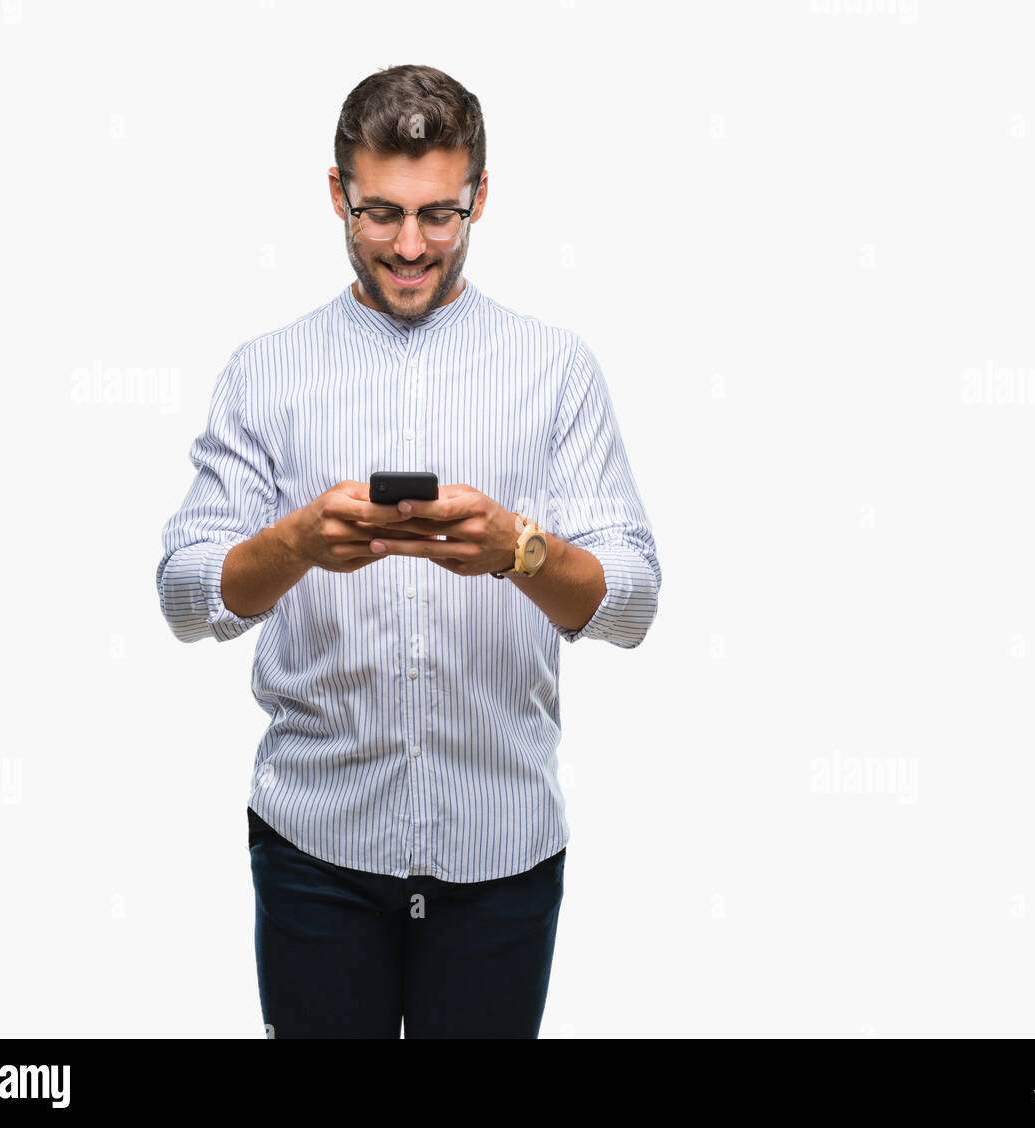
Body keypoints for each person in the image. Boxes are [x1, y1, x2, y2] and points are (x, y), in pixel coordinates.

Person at [155, 64, 661, 1038]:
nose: (411, 245)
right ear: (336, 193)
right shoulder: (266, 372)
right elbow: (187, 597)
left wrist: (520, 550)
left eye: (441, 213)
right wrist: (298, 540)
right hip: (315, 848)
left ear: (482, 196)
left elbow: (631, 603)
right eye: (380, 212)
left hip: (501, 852)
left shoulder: (554, 371)